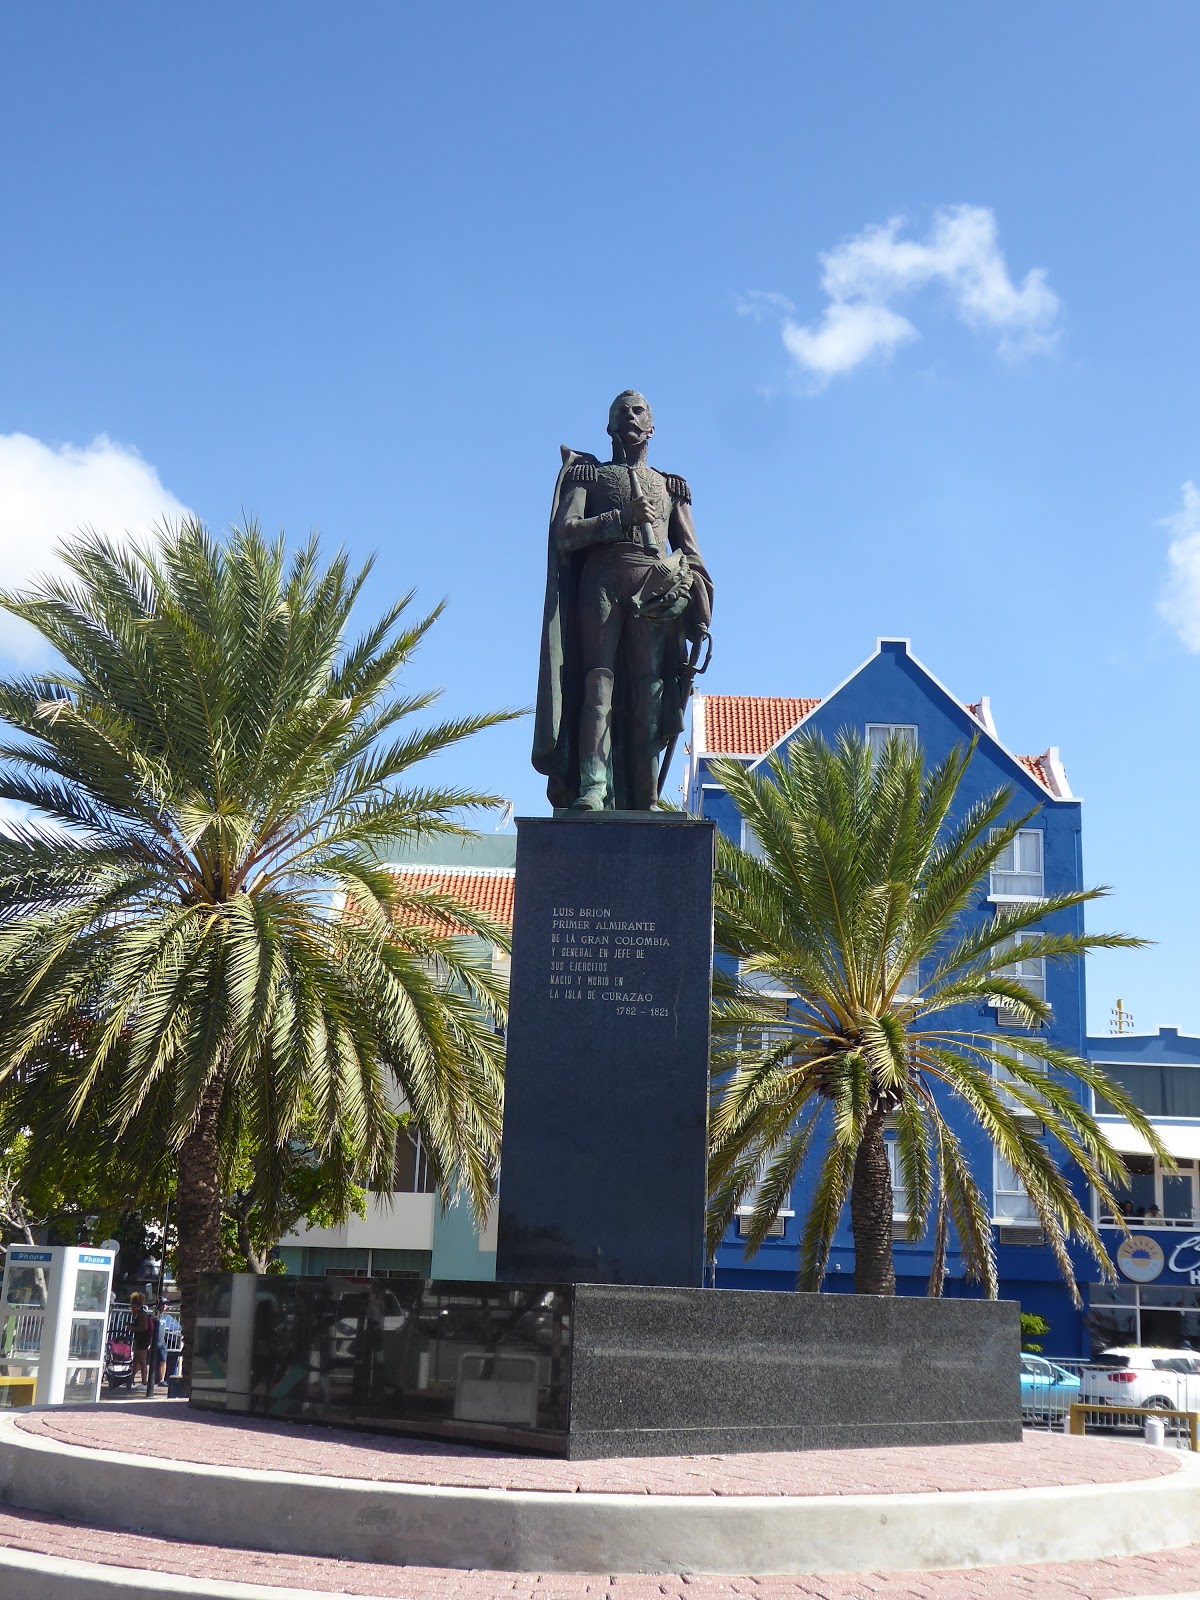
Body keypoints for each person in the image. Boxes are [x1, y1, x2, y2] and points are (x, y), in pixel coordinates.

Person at [533, 391, 713, 811]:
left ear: (651, 428)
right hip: (601, 583)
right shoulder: (589, 476)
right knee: (598, 683)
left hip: (652, 587)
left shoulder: (670, 486)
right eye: (622, 411)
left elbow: (690, 553)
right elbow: (565, 532)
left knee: (650, 692)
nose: (630, 416)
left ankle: (646, 795)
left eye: (638, 411)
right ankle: (593, 787)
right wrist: (620, 518)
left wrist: (698, 604)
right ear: (609, 426)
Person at [129, 1291, 153, 1387]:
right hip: (138, 1339)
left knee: (142, 1361)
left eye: (134, 1307)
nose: (132, 1309)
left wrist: (133, 1328)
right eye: (132, 1307)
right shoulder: (137, 1315)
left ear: (138, 1307)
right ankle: (131, 1378)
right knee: (135, 1360)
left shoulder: (142, 1315)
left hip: (143, 1339)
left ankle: (144, 1381)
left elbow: (144, 1327)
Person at [155, 1300, 181, 1385]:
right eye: (162, 1304)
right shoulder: (155, 1315)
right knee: (142, 1361)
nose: (164, 1306)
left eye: (166, 1304)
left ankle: (161, 1380)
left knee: (163, 1360)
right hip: (154, 1342)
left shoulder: (166, 1317)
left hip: (162, 1342)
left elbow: (177, 1327)